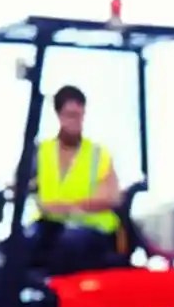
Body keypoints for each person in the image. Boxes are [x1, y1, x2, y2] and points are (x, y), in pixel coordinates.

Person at [27, 85, 124, 274]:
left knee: (69, 243)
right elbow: (23, 185)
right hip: (50, 224)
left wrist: (66, 206)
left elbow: (112, 197)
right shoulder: (41, 152)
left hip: (93, 227)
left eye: (79, 115)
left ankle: (56, 298)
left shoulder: (98, 153)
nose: (76, 122)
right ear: (58, 115)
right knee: (21, 242)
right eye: (70, 115)